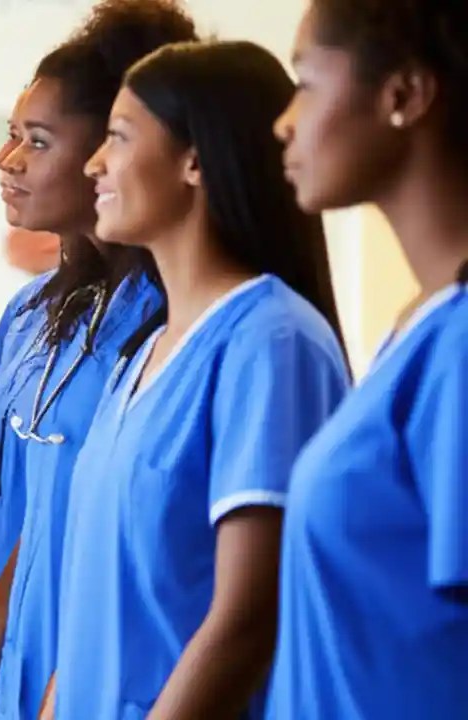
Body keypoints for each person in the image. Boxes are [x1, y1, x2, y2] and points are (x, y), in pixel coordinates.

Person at [44, 41, 351, 719]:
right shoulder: (139, 358)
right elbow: (98, 603)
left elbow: (248, 616)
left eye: (119, 137)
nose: (94, 163)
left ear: (195, 160)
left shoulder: (271, 341)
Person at [0, 3, 196, 719]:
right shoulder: (30, 313)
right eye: (12, 134)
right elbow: (11, 530)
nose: (7, 159)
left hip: (108, 684)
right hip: (11, 673)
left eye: (37, 141)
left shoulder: (171, 323)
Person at [268, 2, 468, 717]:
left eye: (306, 83)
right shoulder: (416, 333)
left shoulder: (458, 349)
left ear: (403, 95)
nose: (283, 122)